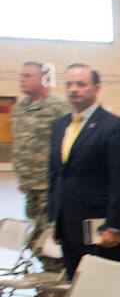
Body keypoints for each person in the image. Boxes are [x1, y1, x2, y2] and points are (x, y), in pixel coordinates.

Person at [46, 64, 120, 297]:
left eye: (81, 84)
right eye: (70, 84)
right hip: (69, 222)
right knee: (80, 285)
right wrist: (54, 220)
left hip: (100, 225)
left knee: (104, 287)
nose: (74, 89)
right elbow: (55, 176)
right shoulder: (60, 125)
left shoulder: (114, 126)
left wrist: (115, 224)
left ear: (96, 88)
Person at [12, 61, 70, 276]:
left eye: (27, 75)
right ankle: (44, 288)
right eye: (21, 75)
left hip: (51, 185)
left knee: (50, 237)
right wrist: (22, 177)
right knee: (36, 236)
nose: (22, 79)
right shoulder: (21, 106)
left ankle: (56, 291)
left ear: (43, 79)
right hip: (31, 185)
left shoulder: (59, 105)